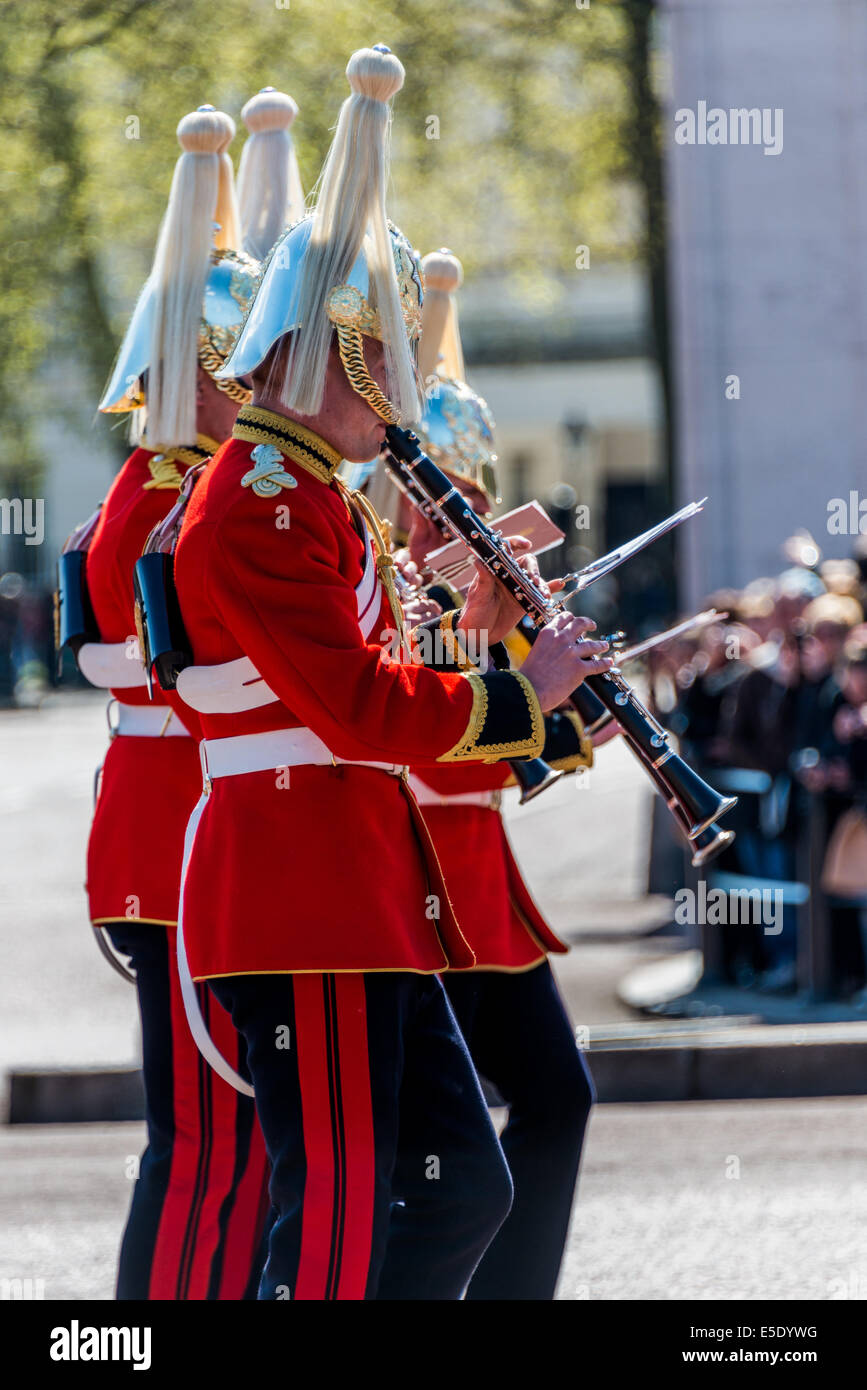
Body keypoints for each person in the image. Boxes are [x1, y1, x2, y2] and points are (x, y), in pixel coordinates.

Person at [170, 45, 612, 1300]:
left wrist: (507, 643)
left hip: (360, 890)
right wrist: (531, 695)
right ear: (348, 360)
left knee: (459, 1187)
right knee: (336, 1223)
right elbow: (359, 711)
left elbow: (375, 676)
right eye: (388, 378)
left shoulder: (309, 498)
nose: (397, 414)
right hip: (302, 893)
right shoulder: (258, 502)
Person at [62, 104, 275, 1299]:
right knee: (201, 1137)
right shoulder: (161, 488)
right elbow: (136, 651)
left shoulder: (183, 481)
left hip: (200, 819)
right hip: (175, 829)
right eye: (236, 361)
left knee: (236, 1131)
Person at [384, 248, 602, 1299]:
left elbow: (520, 756)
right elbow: (424, 747)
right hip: (411, 887)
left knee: (557, 1099)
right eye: (435, 504)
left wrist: (573, 695)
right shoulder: (396, 588)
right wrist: (490, 644)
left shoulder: (473, 584)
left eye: (468, 499)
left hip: (484, 892)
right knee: (430, 1154)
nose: (453, 523)